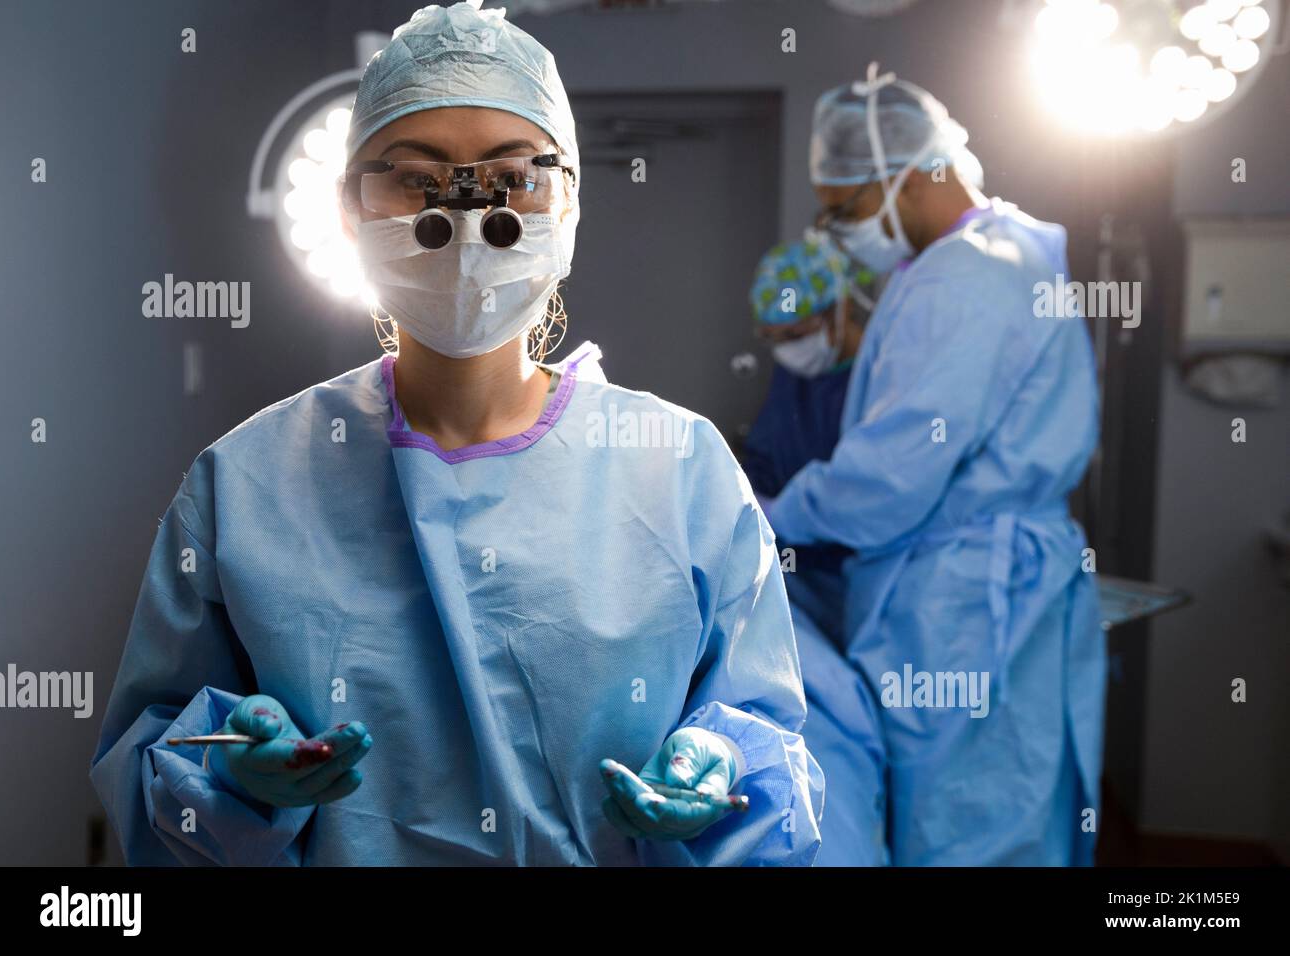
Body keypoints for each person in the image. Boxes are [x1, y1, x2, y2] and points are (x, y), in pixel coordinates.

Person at [90, 1, 822, 867]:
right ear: (351, 209)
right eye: (414, 175)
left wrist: (723, 766)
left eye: (513, 177)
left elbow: (770, 749)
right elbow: (155, 781)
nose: (468, 218)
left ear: (567, 205)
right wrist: (234, 786)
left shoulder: (679, 467)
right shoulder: (245, 484)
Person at [761, 64, 1105, 866]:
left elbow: (885, 484)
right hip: (982, 588)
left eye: (846, 207)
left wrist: (762, 513)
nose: (840, 229)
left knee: (967, 831)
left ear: (909, 176)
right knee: (1003, 813)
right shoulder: (994, 253)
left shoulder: (965, 278)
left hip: (964, 605)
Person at [743, 235, 888, 866]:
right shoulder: (796, 379)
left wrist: (795, 513)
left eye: (798, 331)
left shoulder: (886, 378)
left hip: (865, 580)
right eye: (774, 338)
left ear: (840, 309)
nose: (788, 350)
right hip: (794, 582)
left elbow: (877, 494)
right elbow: (767, 459)